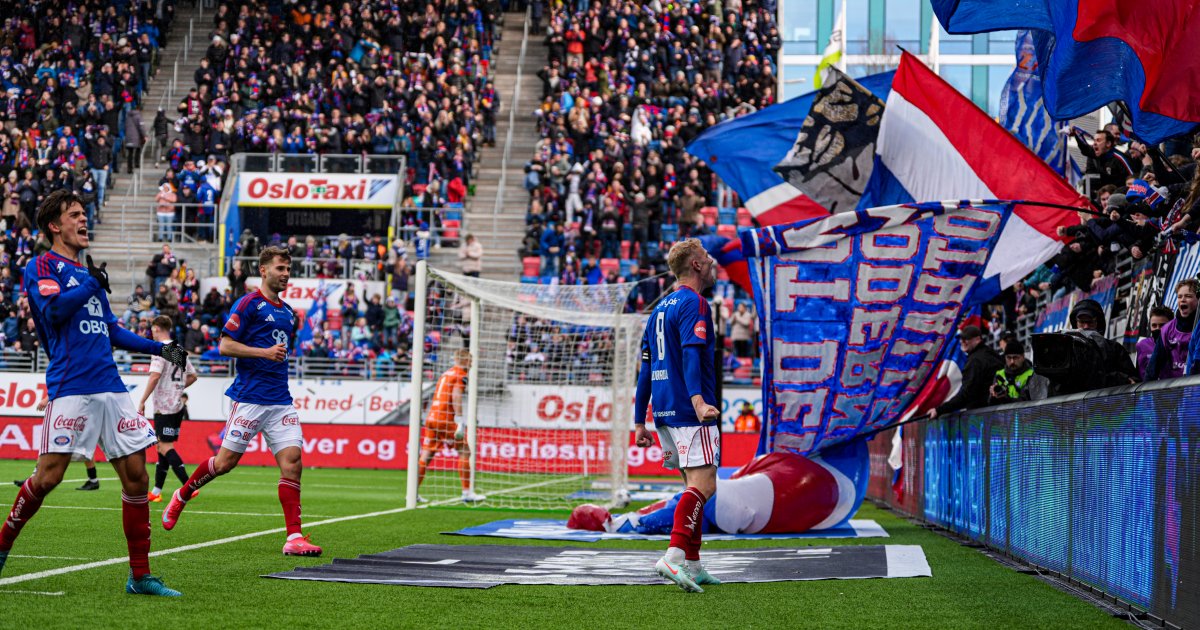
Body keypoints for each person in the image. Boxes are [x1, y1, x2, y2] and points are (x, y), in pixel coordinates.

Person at [0, 190, 188, 596]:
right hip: (72, 386)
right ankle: (1, 547)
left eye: (84, 213)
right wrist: (89, 283)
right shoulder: (41, 266)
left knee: (137, 479)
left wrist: (161, 349)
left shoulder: (90, 275)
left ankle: (139, 576)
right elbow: (53, 312)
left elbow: (112, 331)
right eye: (75, 214)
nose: (83, 220)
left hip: (111, 387)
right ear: (55, 225)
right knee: (48, 477)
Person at [162, 247, 323, 557]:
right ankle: (182, 494)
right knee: (224, 464)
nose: (285, 273)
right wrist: (263, 353)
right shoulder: (248, 304)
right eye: (280, 268)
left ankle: (294, 537)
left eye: (288, 268)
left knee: (293, 463)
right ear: (263, 271)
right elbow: (224, 345)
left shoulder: (288, 312)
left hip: (280, 400)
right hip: (250, 398)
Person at [633, 238, 722, 593]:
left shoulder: (658, 309)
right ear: (697, 265)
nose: (712, 260)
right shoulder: (694, 303)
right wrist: (699, 401)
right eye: (706, 256)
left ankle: (695, 563)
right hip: (689, 409)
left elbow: (644, 369)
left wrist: (639, 420)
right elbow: (690, 353)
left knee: (691, 485)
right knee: (705, 485)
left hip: (664, 410)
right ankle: (673, 556)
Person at [138, 315, 198, 502]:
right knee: (162, 448)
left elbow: (154, 377)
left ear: (156, 328)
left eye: (152, 330)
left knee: (164, 445)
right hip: (177, 405)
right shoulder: (178, 350)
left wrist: (142, 400)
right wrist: (177, 388)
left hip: (164, 406)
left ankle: (189, 486)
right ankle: (156, 492)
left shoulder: (160, 349)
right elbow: (193, 376)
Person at [416, 349, 486, 503]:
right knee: (464, 451)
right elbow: (456, 396)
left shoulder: (446, 374)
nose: (472, 364)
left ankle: (412, 493)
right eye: (471, 360)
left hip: (432, 417)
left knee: (426, 455)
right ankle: (467, 493)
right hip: (445, 418)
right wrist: (460, 420)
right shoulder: (460, 375)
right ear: (465, 361)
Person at [926, 325, 1003, 419]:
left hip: (983, 417)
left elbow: (966, 395)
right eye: (961, 339)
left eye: (966, 339)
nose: (962, 341)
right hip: (998, 412)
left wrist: (939, 410)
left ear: (978, 339)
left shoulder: (975, 360)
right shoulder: (991, 353)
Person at [1147, 280, 1196, 381]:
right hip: (1173, 392)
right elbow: (1153, 367)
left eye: (1188, 296)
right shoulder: (1167, 329)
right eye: (1179, 296)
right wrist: (1143, 394)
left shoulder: (1198, 328)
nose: (1183, 299)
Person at [987, 340, 1049, 405]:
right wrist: (993, 395)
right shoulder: (999, 374)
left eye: (1015, 357)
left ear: (1023, 357)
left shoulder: (1032, 374)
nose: (1012, 362)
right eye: (1009, 358)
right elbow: (990, 403)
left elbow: (1027, 401)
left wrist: (1006, 398)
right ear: (1005, 357)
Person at [1138, 307, 1175, 381]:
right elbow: (1139, 374)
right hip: (1149, 389)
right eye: (1154, 325)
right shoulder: (1141, 345)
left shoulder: (1177, 343)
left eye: (1162, 325)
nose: (1157, 328)